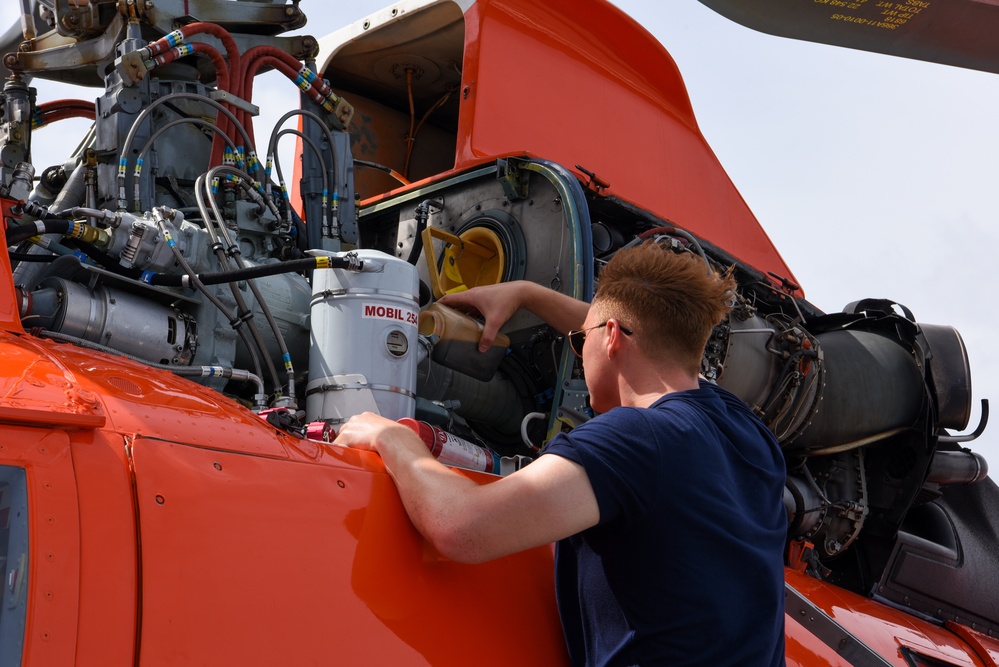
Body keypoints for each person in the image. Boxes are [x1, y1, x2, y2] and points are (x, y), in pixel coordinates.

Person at [333, 243, 787, 666]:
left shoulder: (634, 438)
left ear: (611, 338)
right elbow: (644, 332)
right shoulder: (741, 425)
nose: (579, 348)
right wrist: (526, 294)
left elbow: (462, 529)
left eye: (579, 340)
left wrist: (395, 439)